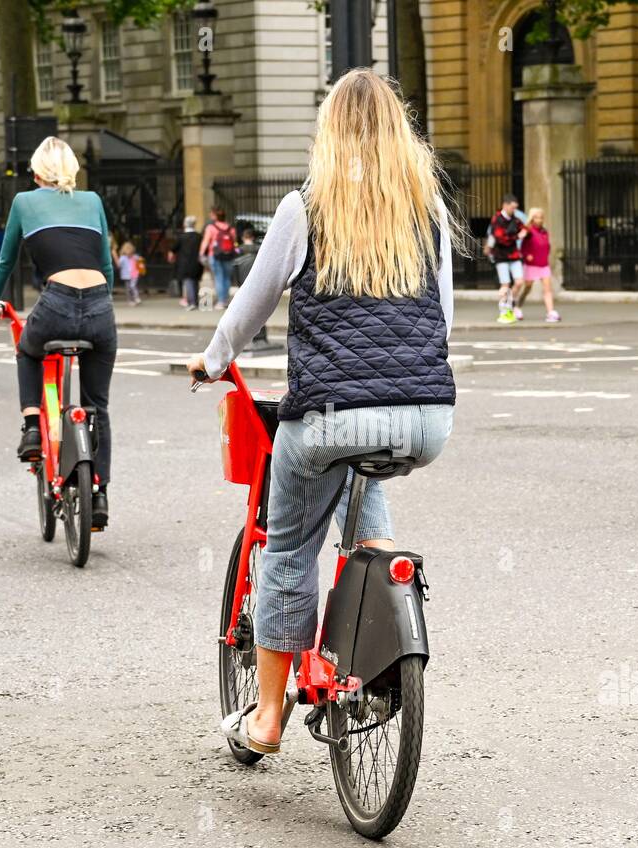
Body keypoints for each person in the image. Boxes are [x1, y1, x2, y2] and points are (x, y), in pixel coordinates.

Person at [188, 69, 458, 756]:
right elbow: (444, 321)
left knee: (289, 550)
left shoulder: (304, 209)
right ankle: (381, 633)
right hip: (426, 417)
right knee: (369, 530)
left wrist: (214, 359)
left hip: (332, 416)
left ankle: (269, 717)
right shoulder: (425, 210)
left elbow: (250, 307)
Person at [0, 136, 118, 529]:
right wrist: (100, 308)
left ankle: (30, 430)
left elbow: (5, 262)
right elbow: (106, 266)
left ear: (37, 172)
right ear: (73, 169)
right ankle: (101, 492)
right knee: (98, 406)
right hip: (99, 307)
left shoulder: (24, 202)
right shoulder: (92, 201)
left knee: (27, 350)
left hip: (54, 304)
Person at [515, 207, 558, 323]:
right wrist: (527, 255)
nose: (539, 220)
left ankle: (550, 312)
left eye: (541, 217)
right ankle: (517, 307)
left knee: (548, 289)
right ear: (532, 219)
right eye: (536, 217)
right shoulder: (529, 231)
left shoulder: (544, 231)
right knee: (527, 287)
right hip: (531, 265)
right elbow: (521, 240)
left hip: (544, 265)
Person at [488, 194, 526, 323]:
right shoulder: (497, 219)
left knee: (519, 281)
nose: (513, 210)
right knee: (505, 284)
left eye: (515, 208)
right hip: (501, 256)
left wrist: (524, 231)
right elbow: (501, 239)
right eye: (512, 207)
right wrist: (518, 237)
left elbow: (524, 228)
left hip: (514, 255)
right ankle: (504, 309)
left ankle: (510, 304)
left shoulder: (515, 219)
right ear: (505, 205)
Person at [199, 207, 237, 308]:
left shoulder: (211, 228)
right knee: (227, 278)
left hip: (215, 256)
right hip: (228, 255)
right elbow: (233, 241)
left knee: (218, 278)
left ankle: (221, 301)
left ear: (215, 216)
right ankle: (226, 300)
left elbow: (206, 242)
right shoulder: (230, 228)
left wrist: (201, 253)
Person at [169, 215, 203, 310]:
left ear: (185, 224)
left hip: (184, 263)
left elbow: (173, 249)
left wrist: (171, 257)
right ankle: (195, 302)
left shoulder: (181, 237)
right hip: (197, 263)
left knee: (188, 282)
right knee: (195, 282)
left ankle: (191, 303)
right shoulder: (199, 236)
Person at [117, 240, 143, 305]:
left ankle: (136, 297)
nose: (129, 253)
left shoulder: (134, 256)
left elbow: (141, 260)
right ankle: (130, 300)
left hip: (134, 274)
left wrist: (140, 261)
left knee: (132, 286)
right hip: (126, 275)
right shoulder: (123, 258)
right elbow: (119, 264)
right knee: (128, 288)